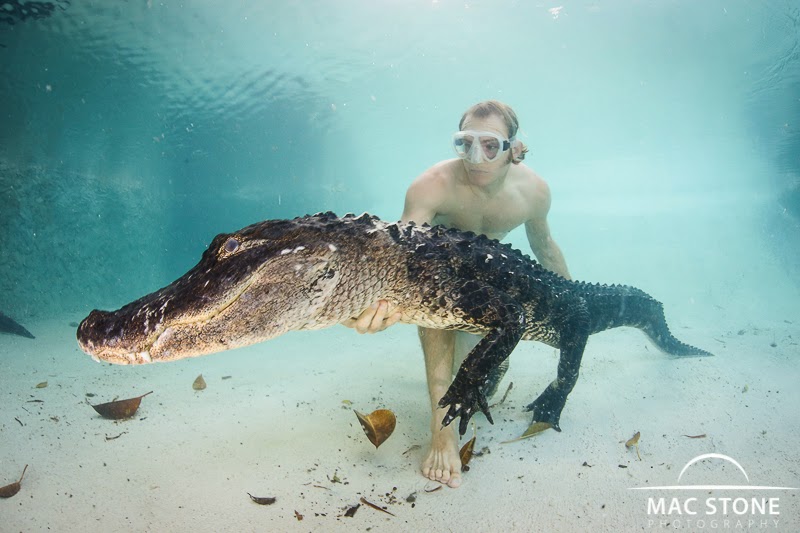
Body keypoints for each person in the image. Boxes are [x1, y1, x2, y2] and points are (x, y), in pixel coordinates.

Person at [342, 100, 571, 488]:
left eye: (490, 145)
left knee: (481, 366)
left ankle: (493, 367)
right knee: (433, 312)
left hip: (491, 275)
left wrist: (571, 307)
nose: (475, 157)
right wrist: (367, 308)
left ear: (514, 149)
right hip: (435, 269)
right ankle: (442, 429)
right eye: (464, 143)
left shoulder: (534, 192)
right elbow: (400, 257)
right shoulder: (431, 185)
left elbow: (545, 248)